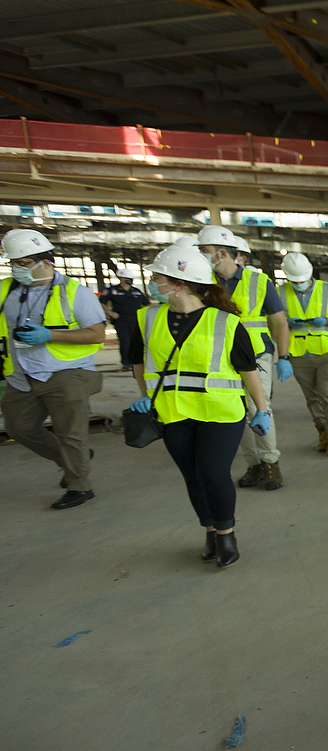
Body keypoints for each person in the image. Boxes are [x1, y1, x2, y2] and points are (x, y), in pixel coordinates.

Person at [126, 242, 271, 568]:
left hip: (220, 412)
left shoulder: (225, 322)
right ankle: (210, 532)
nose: (152, 283)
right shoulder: (146, 318)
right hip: (173, 412)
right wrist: (145, 394)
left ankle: (226, 536)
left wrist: (262, 409)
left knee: (213, 472)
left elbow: (248, 370)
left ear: (179, 283)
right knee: (192, 475)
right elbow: (137, 361)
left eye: (157, 278)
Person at [0, 228, 106, 509]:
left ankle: (80, 486)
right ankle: (70, 459)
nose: (17, 269)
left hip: (65, 372)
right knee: (19, 427)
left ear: (45, 262)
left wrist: (50, 335)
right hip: (20, 373)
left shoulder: (76, 293)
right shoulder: (6, 289)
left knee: (70, 433)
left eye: (23, 263)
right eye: (14, 263)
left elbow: (97, 334)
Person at [198, 224, 292, 492]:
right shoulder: (203, 283)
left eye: (205, 250)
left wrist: (284, 356)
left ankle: (271, 462)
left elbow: (279, 321)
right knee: (237, 411)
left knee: (258, 408)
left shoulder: (259, 282)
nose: (202, 255)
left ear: (222, 253)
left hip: (256, 354)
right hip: (219, 357)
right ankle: (254, 464)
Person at [280, 252, 328, 455]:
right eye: (295, 281)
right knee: (311, 397)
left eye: (302, 280)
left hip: (327, 350)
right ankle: (322, 431)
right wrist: (286, 322)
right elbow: (274, 321)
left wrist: (325, 321)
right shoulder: (280, 292)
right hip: (298, 351)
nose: (299, 284)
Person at [99, 265, 148, 371]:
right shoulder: (112, 290)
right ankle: (126, 363)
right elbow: (101, 302)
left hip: (135, 320)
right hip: (121, 320)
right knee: (125, 342)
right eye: (127, 278)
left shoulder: (136, 291)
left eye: (131, 279)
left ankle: (137, 362)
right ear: (121, 279)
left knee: (137, 342)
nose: (130, 280)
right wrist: (110, 313)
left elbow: (147, 304)